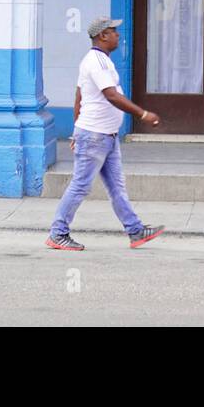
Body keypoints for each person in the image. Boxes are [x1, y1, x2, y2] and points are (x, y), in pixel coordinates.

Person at [46, 17, 166, 251]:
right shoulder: (96, 62)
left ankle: (135, 230)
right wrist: (142, 115)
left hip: (104, 136)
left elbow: (79, 97)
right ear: (102, 36)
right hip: (94, 136)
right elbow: (111, 95)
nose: (118, 35)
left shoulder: (100, 61)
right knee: (80, 185)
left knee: (116, 187)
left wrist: (74, 131)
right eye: (113, 31)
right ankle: (58, 233)